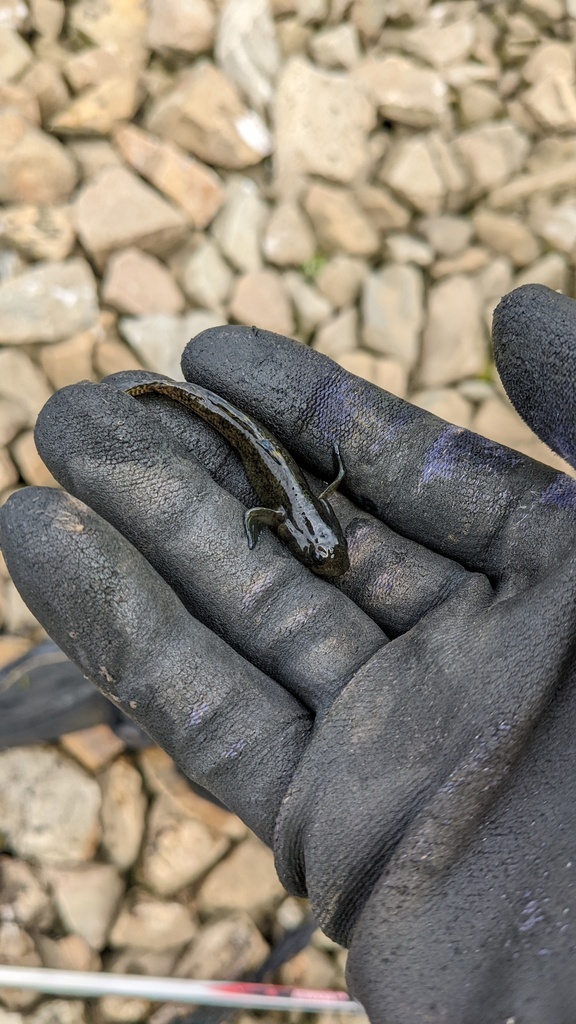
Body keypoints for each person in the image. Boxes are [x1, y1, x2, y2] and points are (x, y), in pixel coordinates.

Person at [1, 283, 575, 1023]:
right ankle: (154, 392)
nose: (328, 556)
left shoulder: (312, 523)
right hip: (265, 459)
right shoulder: (302, 519)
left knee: (226, 419)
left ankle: (157, 392)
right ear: (315, 534)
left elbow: (292, 507)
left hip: (287, 482)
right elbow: (283, 502)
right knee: (220, 415)